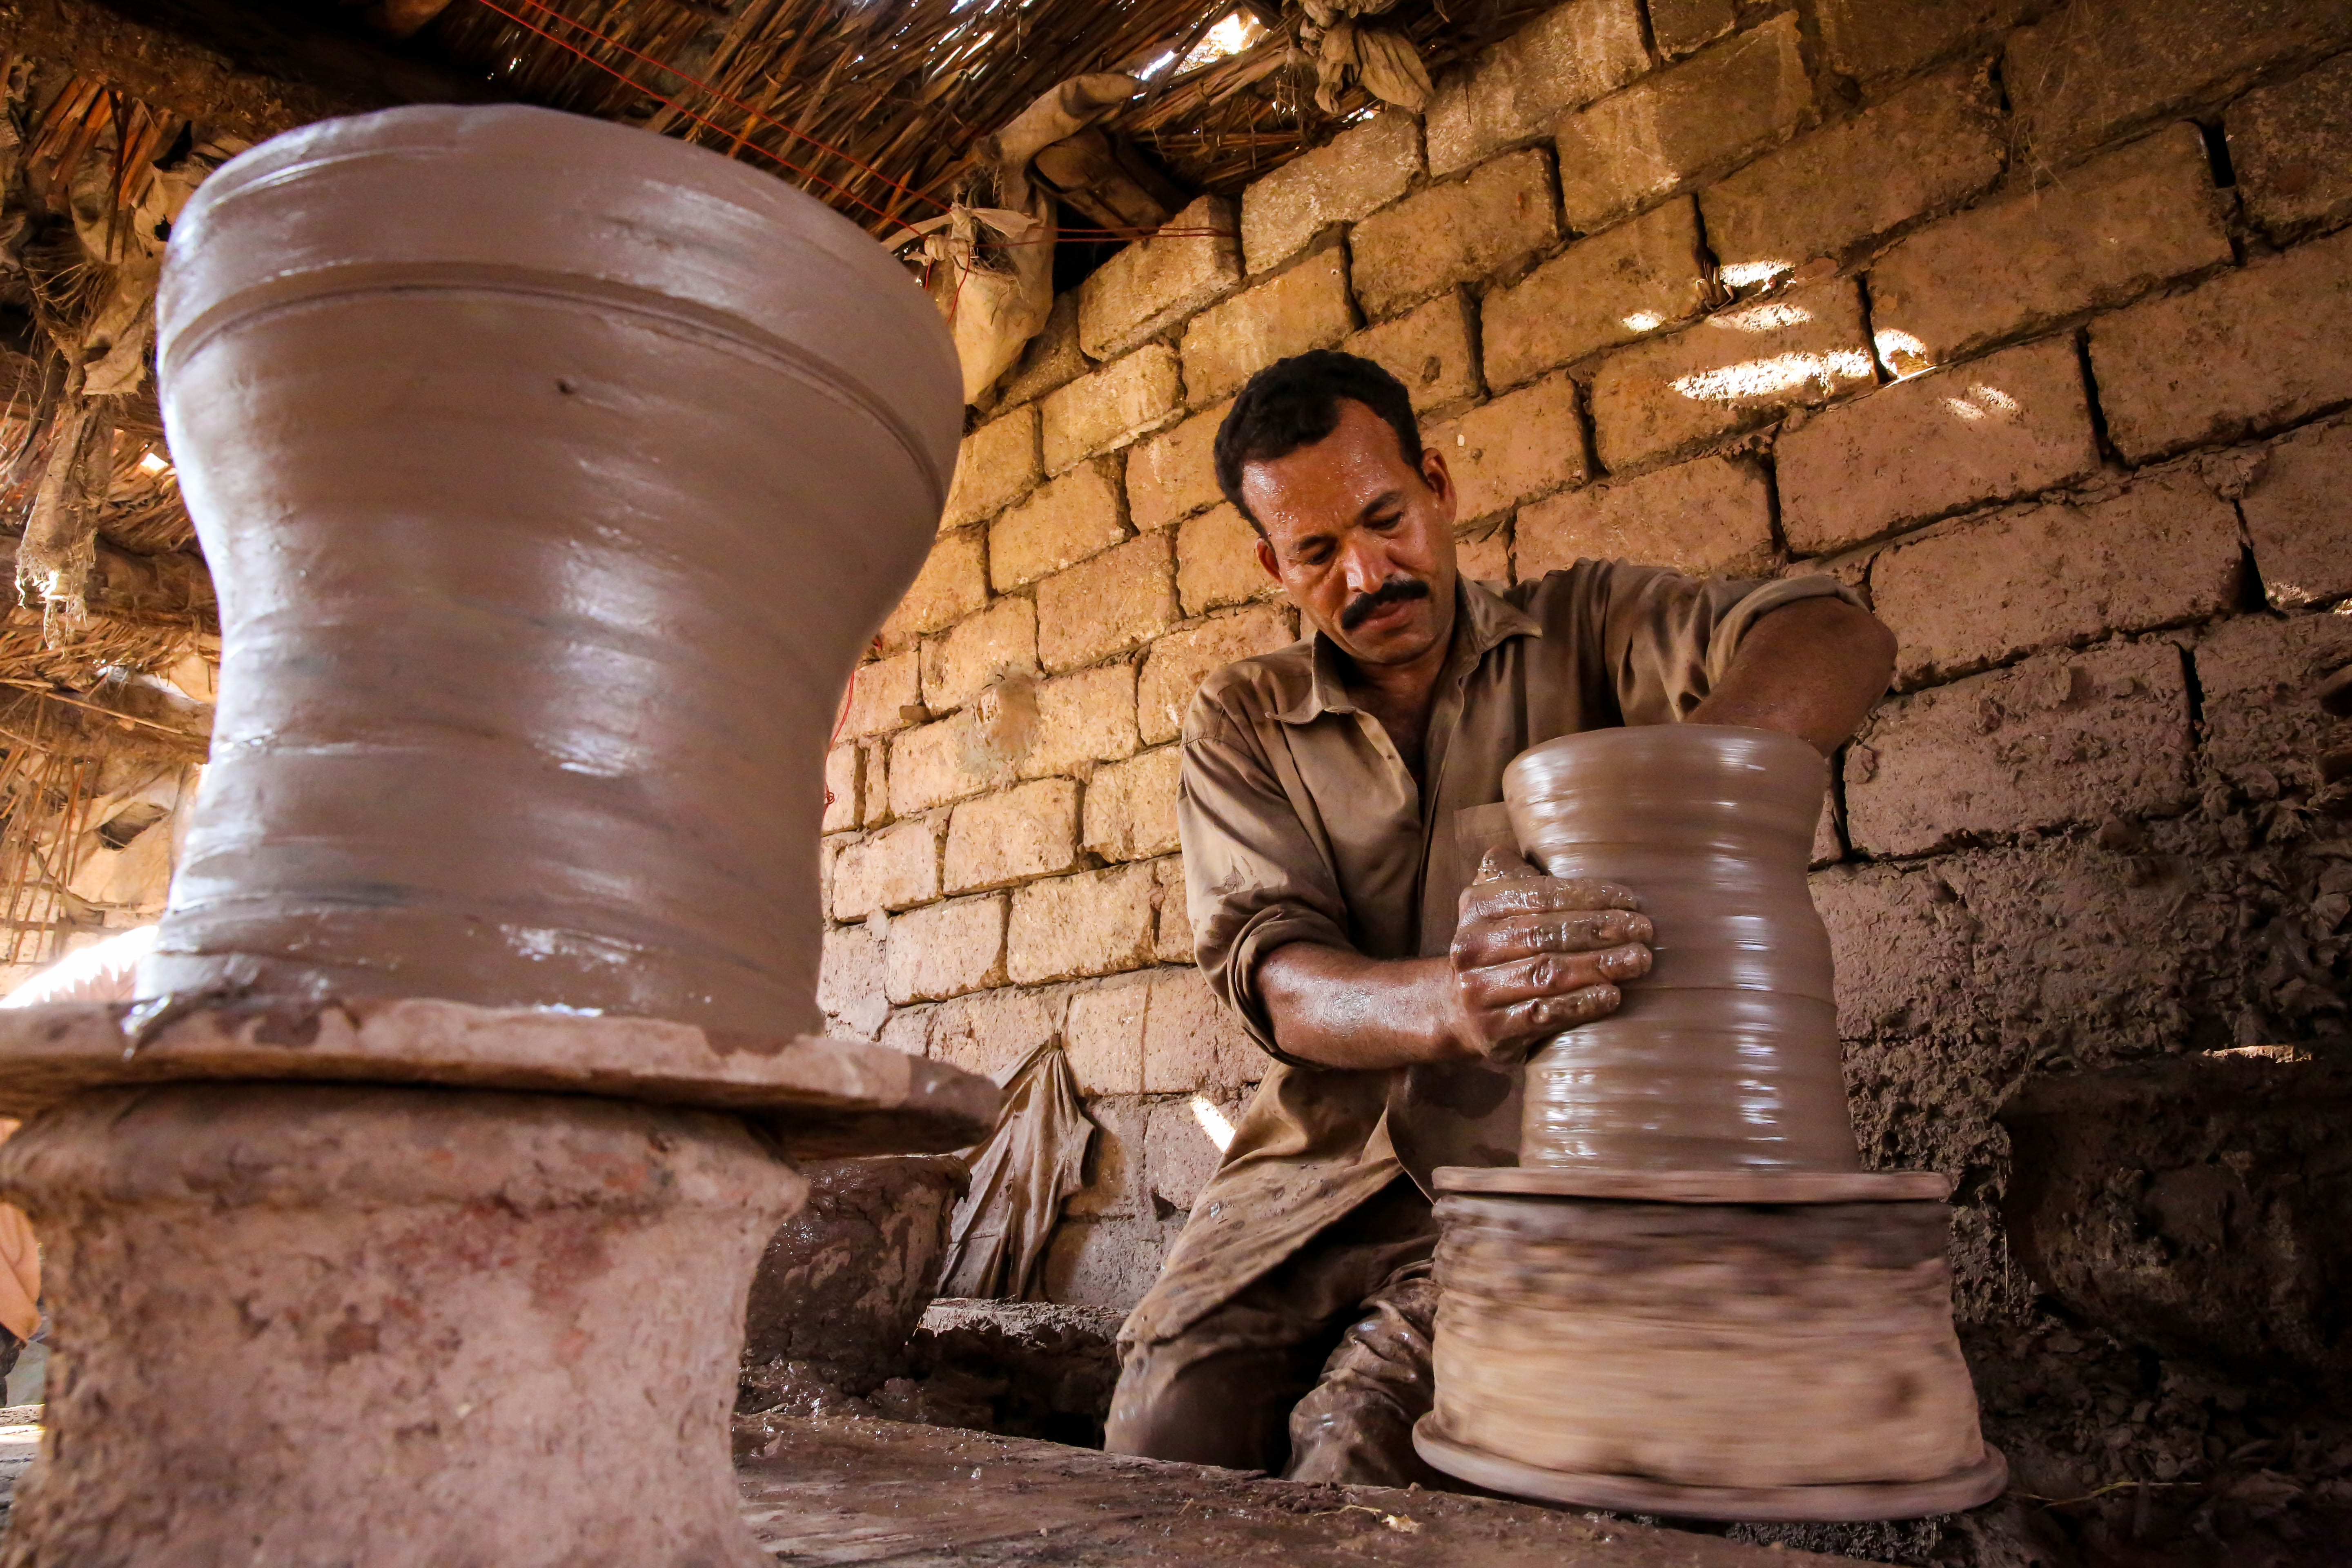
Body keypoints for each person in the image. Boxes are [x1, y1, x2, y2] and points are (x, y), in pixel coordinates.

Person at [1101, 352, 1896, 1483]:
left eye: (1386, 520)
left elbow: (1833, 634)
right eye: (1318, 554)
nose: (1369, 574)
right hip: (1317, 1173)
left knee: (1360, 1447)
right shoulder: (1245, 719)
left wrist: (1678, 803)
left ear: (1436, 486)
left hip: (1546, 1162)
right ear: (1273, 564)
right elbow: (1274, 977)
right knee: (1164, 1427)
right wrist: (1455, 1001)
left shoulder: (1590, 625)